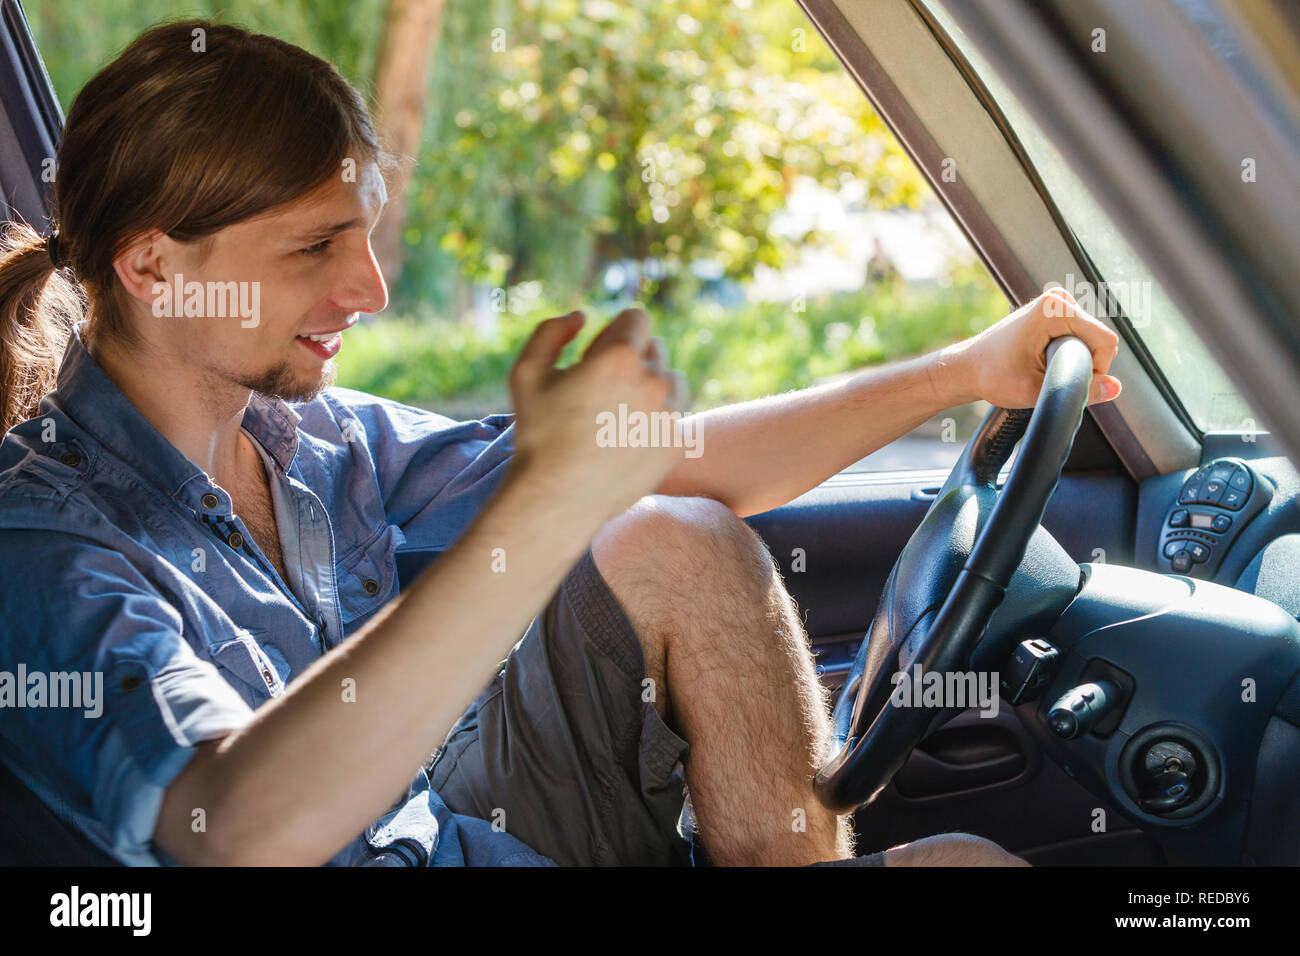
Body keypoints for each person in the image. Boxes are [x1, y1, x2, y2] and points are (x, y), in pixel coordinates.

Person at [0, 20, 1120, 867]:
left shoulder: (316, 442)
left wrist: (965, 370)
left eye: (364, 234)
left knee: (676, 536)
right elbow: (229, 826)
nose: (371, 285)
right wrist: (542, 500)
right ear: (153, 269)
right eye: (314, 247)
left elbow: (679, 465)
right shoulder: (35, 540)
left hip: (465, 836)